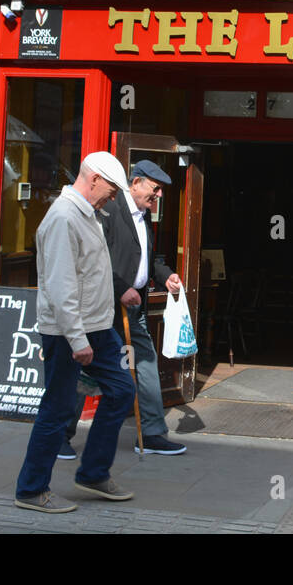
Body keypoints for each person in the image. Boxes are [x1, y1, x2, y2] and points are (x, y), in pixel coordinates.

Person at [14, 152, 137, 514]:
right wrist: (77, 340)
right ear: (95, 178)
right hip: (70, 333)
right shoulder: (64, 217)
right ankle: (31, 488)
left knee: (121, 390)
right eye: (112, 189)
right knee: (58, 407)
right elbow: (60, 285)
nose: (114, 196)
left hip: (97, 328)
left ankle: (93, 474)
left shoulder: (88, 214)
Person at [61, 159, 186, 458]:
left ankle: (153, 433)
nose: (159, 195)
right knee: (84, 370)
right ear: (136, 183)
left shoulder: (144, 216)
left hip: (134, 310)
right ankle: (61, 434)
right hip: (105, 307)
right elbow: (96, 259)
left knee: (144, 364)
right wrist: (121, 289)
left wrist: (164, 274)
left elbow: (148, 259)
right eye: (155, 189)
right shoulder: (110, 211)